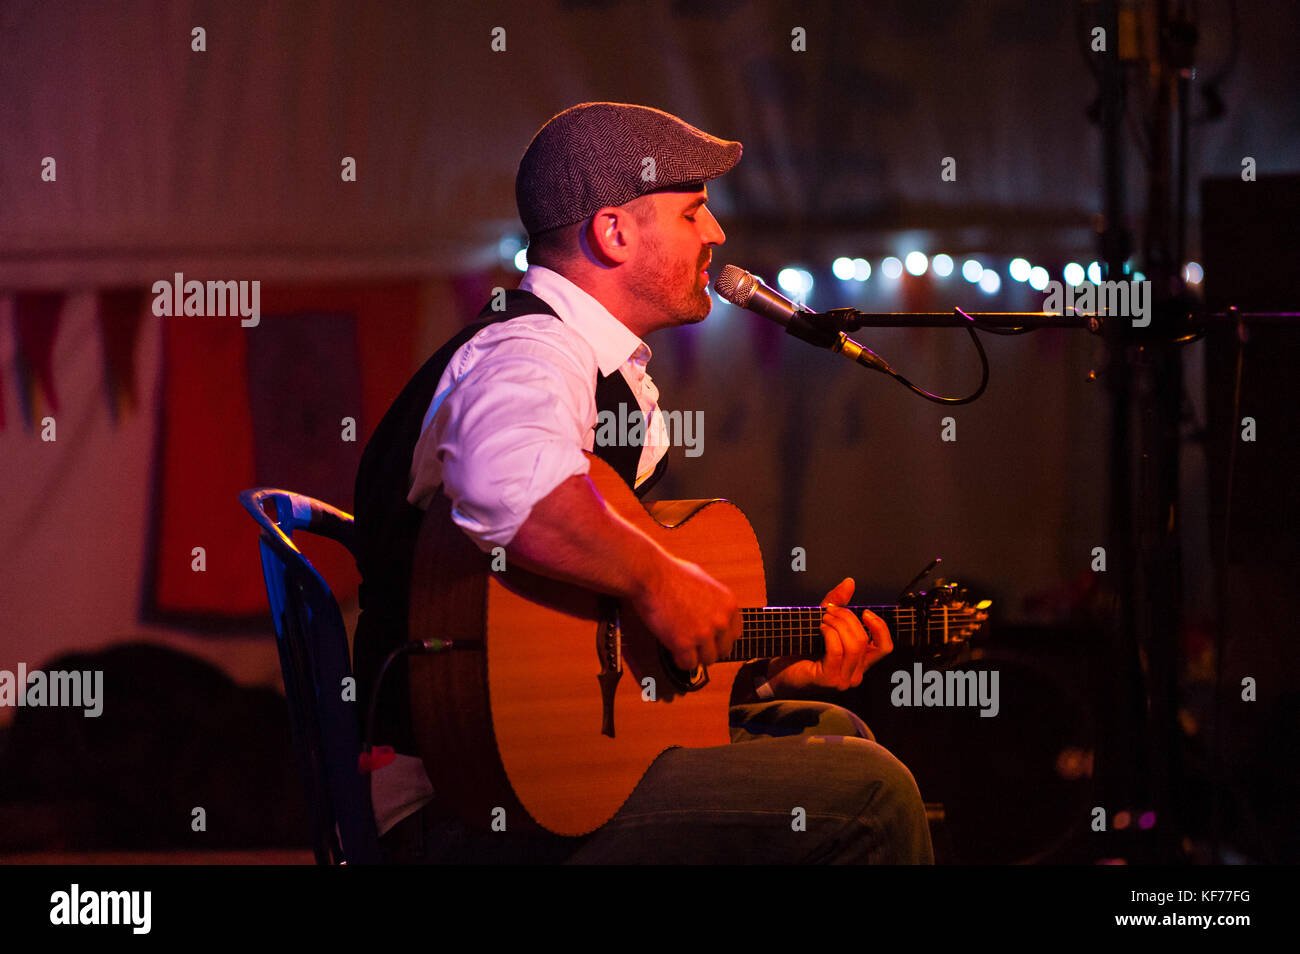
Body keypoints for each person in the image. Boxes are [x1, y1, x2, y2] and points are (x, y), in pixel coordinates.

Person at [353, 102, 933, 863]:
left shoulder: (599, 371)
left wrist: (757, 664)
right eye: (694, 212)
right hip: (464, 806)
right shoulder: (531, 350)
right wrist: (661, 576)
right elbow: (508, 487)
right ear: (613, 232)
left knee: (829, 733)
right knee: (869, 794)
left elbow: (600, 643)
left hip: (529, 780)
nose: (718, 234)